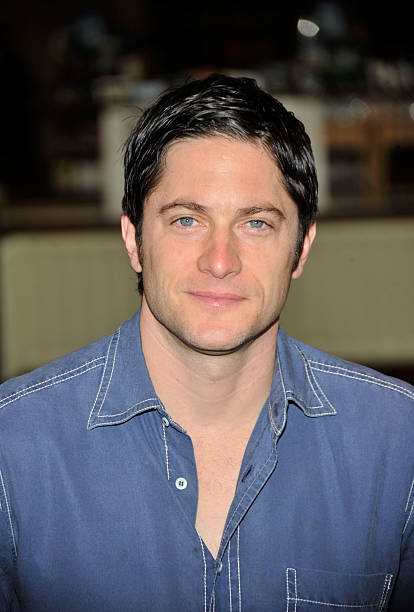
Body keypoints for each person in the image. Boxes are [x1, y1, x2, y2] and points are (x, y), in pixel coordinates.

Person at [0, 74, 413, 611]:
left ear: (302, 247)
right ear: (134, 239)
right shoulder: (13, 448)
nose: (220, 261)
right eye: (187, 220)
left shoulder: (399, 444)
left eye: (256, 223)